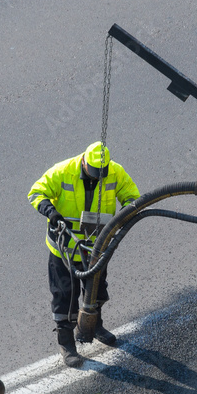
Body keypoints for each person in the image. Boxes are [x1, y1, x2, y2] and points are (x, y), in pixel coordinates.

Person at [28, 142, 141, 368]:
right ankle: (67, 343)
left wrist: (125, 215)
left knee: (96, 291)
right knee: (65, 296)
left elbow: (133, 198)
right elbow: (36, 193)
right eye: (94, 172)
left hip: (96, 248)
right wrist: (51, 212)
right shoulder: (63, 171)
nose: (98, 177)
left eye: (102, 173)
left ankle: (93, 326)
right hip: (65, 249)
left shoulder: (114, 172)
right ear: (84, 162)